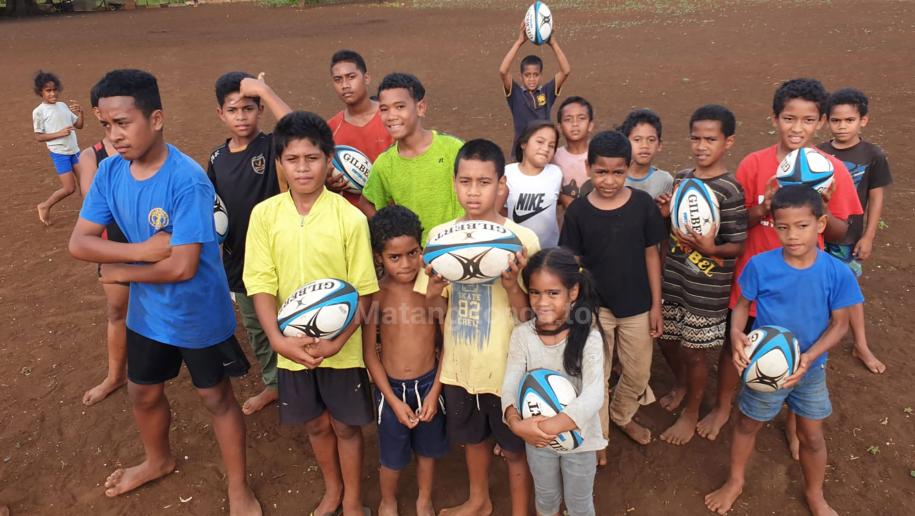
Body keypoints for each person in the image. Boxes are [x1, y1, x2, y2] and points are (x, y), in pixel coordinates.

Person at [68, 69, 261, 514]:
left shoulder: (186, 179)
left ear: (155, 118)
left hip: (197, 314)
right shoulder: (111, 172)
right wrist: (142, 252)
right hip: (148, 315)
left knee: (216, 399)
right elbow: (79, 242)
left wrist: (120, 271)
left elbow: (182, 266)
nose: (114, 135)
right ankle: (158, 459)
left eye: (124, 122)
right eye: (105, 126)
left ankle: (237, 487)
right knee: (143, 392)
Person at [697, 79, 863, 450]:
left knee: (797, 350)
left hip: (802, 288)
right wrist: (765, 205)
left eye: (807, 120)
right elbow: (737, 219)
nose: (797, 128)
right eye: (789, 118)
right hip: (754, 276)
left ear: (820, 122)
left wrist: (824, 201)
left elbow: (840, 233)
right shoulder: (755, 164)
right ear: (775, 119)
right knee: (734, 346)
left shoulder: (831, 169)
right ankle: (724, 406)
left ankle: (792, 422)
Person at [244, 111, 379, 516]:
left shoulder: (350, 219)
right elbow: (261, 283)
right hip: (290, 346)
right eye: (293, 159)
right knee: (316, 424)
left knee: (344, 426)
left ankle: (353, 500)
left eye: (313, 158)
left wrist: (338, 340)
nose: (303, 168)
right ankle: (333, 490)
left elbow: (364, 292)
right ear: (280, 162)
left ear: (329, 159)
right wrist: (277, 339)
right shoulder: (264, 215)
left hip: (343, 347)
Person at [704, 185, 862, 516]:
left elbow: (840, 326)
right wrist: (735, 332)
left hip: (810, 370)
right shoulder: (761, 266)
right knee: (747, 424)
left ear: (820, 224)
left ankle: (815, 494)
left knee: (813, 437)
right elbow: (742, 304)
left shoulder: (837, 272)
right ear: (773, 225)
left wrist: (808, 357)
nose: (792, 235)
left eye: (802, 226)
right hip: (763, 367)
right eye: (783, 226)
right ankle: (735, 481)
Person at [416, 139, 540, 516]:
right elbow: (433, 312)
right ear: (454, 182)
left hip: (509, 369)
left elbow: (530, 319)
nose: (473, 191)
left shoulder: (523, 241)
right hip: (461, 365)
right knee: (473, 440)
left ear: (502, 185)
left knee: (515, 448)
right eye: (465, 181)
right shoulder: (440, 239)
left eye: (484, 182)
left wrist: (510, 286)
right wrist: (435, 290)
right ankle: (479, 500)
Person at [559, 131, 667, 454]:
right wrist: (575, 309)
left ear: (628, 168)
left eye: (618, 172)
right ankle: (600, 434)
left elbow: (652, 254)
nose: (609, 180)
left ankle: (621, 415)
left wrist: (656, 304)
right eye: (602, 172)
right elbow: (572, 264)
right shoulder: (578, 212)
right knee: (597, 376)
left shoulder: (643, 205)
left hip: (637, 307)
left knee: (638, 373)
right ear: (589, 168)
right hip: (595, 309)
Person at [657, 105, 747, 446]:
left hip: (707, 288)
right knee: (666, 337)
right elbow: (673, 229)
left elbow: (737, 244)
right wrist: (665, 215)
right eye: (695, 138)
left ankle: (692, 411)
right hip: (675, 277)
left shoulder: (730, 189)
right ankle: (682, 383)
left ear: (728, 142)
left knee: (695, 351)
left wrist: (711, 249)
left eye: (710, 139)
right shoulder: (681, 178)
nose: (701, 146)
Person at [207, 71, 291, 415]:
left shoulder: (273, 145)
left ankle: (304, 383)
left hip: (280, 256)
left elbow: (299, 129)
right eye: (233, 110)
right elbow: (212, 211)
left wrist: (267, 91)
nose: (241, 117)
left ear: (260, 110)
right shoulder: (216, 159)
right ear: (221, 114)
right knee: (258, 328)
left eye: (249, 108)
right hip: (239, 261)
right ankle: (275, 384)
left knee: (292, 318)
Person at [501, 247, 607, 516]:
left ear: (573, 293)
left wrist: (544, 427)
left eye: (553, 293)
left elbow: (594, 394)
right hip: (536, 441)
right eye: (535, 292)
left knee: (579, 505)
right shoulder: (522, 335)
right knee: (546, 499)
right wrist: (515, 423)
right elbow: (510, 382)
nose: (542, 301)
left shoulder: (588, 336)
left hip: (580, 441)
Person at [364, 205, 447, 516]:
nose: (406, 263)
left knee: (428, 451)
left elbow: (447, 341)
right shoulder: (376, 295)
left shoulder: (432, 286)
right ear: (378, 257)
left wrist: (435, 391)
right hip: (392, 389)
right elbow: (370, 354)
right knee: (392, 456)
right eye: (394, 257)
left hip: (429, 384)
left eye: (413, 253)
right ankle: (388, 500)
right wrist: (393, 401)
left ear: (421, 247)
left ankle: (424, 498)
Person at [818, 87, 892, 374]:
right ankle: (823, 333)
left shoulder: (873, 155)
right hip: (819, 233)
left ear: (864, 120)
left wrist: (869, 235)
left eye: (849, 120)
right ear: (827, 121)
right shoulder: (818, 153)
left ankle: (861, 344)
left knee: (848, 290)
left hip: (849, 236)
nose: (842, 126)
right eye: (836, 120)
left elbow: (876, 196)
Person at [358, 73, 464, 244]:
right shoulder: (384, 164)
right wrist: (391, 233)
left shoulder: (453, 148)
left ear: (421, 108)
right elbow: (366, 203)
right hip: (417, 261)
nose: (391, 115)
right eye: (384, 109)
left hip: (459, 249)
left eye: (400, 107)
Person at [76, 85, 128, 406]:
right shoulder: (90, 156)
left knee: (167, 306)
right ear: (97, 113)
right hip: (113, 251)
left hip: (153, 245)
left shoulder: (146, 151)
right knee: (117, 312)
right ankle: (114, 376)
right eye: (104, 113)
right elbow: (92, 204)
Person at [326, 49, 394, 208]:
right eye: (338, 79)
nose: (345, 85)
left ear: (366, 78)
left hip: (394, 215)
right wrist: (329, 185)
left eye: (351, 77)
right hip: (354, 221)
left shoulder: (391, 117)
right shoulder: (330, 129)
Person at [498, 22, 571, 148]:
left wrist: (553, 43)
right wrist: (519, 42)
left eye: (535, 75)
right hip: (521, 152)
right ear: (521, 76)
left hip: (544, 150)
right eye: (527, 75)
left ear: (540, 75)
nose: (532, 79)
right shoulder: (515, 93)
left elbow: (566, 71)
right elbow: (503, 71)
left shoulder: (547, 91)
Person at [501, 120, 570, 248]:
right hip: (516, 250)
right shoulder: (507, 173)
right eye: (540, 141)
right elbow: (501, 212)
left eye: (551, 145)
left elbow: (556, 199)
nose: (545, 148)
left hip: (548, 251)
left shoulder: (556, 173)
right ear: (523, 143)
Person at [32, 70, 84, 225]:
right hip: (60, 153)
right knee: (69, 188)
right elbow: (38, 136)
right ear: (40, 92)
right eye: (48, 91)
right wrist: (59, 133)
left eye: (55, 90)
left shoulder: (63, 106)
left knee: (86, 185)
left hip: (75, 151)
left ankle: (91, 215)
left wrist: (81, 113)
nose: (52, 93)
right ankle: (45, 205)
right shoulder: (39, 112)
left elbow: (79, 125)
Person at [618, 109, 674, 212]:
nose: (645, 146)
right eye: (637, 140)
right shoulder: (615, 178)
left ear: (660, 145)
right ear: (625, 142)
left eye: (651, 140)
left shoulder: (665, 180)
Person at [553, 96, 595, 202]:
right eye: (568, 119)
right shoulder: (554, 157)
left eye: (581, 118)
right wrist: (563, 197)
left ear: (590, 125)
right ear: (560, 128)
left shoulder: (599, 153)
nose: (575, 124)